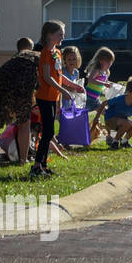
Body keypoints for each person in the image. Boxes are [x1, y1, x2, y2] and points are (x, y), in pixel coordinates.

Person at [33, 20, 84, 177]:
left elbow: (59, 75)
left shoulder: (57, 52)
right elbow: (47, 77)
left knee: (49, 132)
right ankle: (36, 167)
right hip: (44, 97)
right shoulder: (46, 53)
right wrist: (63, 90)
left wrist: (73, 86)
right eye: (60, 34)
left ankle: (43, 166)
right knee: (48, 132)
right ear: (50, 35)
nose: (63, 37)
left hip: (53, 97)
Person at [0, 37, 38, 168]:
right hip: (20, 87)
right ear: (31, 48)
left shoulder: (13, 60)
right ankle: (23, 159)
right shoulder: (35, 57)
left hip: (0, 83)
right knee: (24, 123)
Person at [94, 77, 132, 148]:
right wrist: (97, 117)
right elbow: (104, 103)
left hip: (122, 123)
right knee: (126, 123)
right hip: (110, 120)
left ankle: (124, 142)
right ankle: (115, 142)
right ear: (128, 92)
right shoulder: (120, 99)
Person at [83, 47, 116, 140]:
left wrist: (110, 84)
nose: (110, 64)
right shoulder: (97, 70)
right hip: (88, 99)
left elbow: (104, 81)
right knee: (81, 117)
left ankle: (109, 136)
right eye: (108, 61)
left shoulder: (106, 72)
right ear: (101, 60)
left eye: (111, 62)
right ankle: (83, 134)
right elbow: (91, 79)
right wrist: (104, 83)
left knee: (107, 114)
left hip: (96, 100)